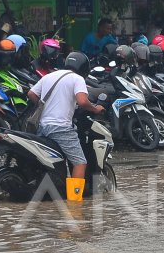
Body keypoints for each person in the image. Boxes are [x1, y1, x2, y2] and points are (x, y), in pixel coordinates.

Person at [26, 51, 105, 201]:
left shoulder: (49, 76)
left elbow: (31, 93)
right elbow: (82, 101)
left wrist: (44, 105)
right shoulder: (77, 79)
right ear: (84, 68)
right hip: (60, 128)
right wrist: (95, 108)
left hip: (42, 127)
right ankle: (75, 202)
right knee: (80, 163)